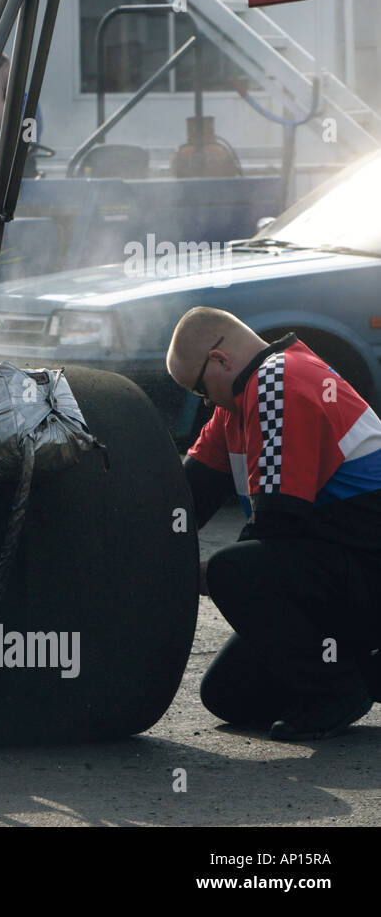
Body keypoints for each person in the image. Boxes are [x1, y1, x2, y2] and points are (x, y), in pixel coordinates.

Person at [166, 307, 381, 740]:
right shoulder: (240, 401)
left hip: (367, 568)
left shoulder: (278, 381)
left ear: (221, 360)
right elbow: (185, 501)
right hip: (341, 569)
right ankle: (361, 666)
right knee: (229, 696)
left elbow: (277, 524)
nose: (205, 402)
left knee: (233, 570)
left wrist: (201, 577)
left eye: (201, 389)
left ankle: (338, 688)